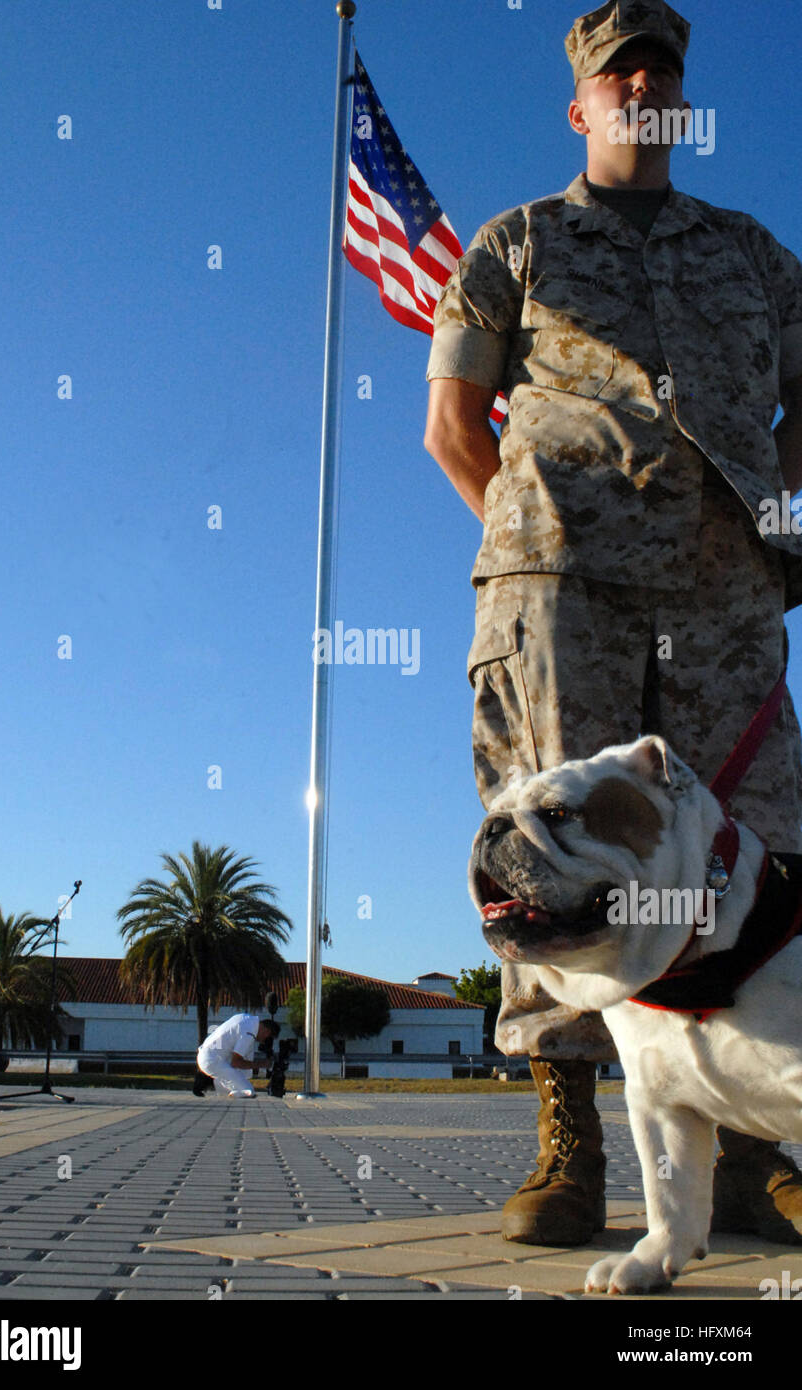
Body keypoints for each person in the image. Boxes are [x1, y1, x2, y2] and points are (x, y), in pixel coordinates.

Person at [424, 0, 802, 1248]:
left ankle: (743, 1153)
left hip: (721, 593)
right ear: (577, 104)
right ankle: (569, 1148)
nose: (640, 85)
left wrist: (772, 518)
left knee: (750, 846)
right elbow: (452, 422)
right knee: (549, 843)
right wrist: (530, 550)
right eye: (614, 71)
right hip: (562, 595)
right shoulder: (514, 243)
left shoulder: (751, 255)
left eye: (659, 69)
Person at [193, 1013, 280, 1098]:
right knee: (248, 1091)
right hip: (212, 1061)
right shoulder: (249, 1033)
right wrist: (261, 1064)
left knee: (242, 1076)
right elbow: (236, 1062)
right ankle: (211, 1080)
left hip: (208, 1055)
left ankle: (208, 1079)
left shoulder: (246, 1018)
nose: (263, 1041)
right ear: (267, 1031)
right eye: (267, 1038)